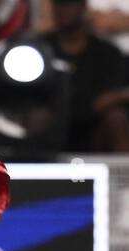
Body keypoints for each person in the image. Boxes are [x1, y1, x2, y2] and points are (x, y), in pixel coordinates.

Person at [44, 0, 129, 152]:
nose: (63, 10)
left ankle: (123, 173)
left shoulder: (107, 53)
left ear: (83, 6)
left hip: (93, 130)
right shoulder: (39, 50)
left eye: (69, 4)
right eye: (58, 4)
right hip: (48, 124)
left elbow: (110, 98)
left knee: (115, 117)